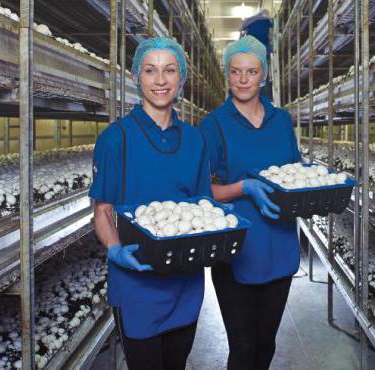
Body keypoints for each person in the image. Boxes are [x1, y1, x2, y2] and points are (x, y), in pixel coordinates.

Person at [90, 37, 210, 370]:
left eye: (169, 70)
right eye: (150, 70)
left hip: (185, 280)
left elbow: (204, 210)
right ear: (137, 77)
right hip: (137, 282)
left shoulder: (195, 140)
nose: (160, 80)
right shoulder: (116, 138)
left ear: (180, 78)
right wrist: (115, 249)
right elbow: (102, 211)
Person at [199, 35, 301, 370]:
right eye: (236, 71)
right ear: (227, 75)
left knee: (266, 345)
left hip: (281, 244)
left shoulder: (282, 120)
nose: (243, 79)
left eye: (252, 71)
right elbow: (201, 193)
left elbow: (295, 175)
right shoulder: (213, 125)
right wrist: (244, 187)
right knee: (243, 348)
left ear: (264, 75)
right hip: (236, 248)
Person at [240, 9, 273, 99]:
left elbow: (241, 30)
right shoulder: (268, 21)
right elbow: (273, 33)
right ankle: (265, 96)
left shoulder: (250, 21)